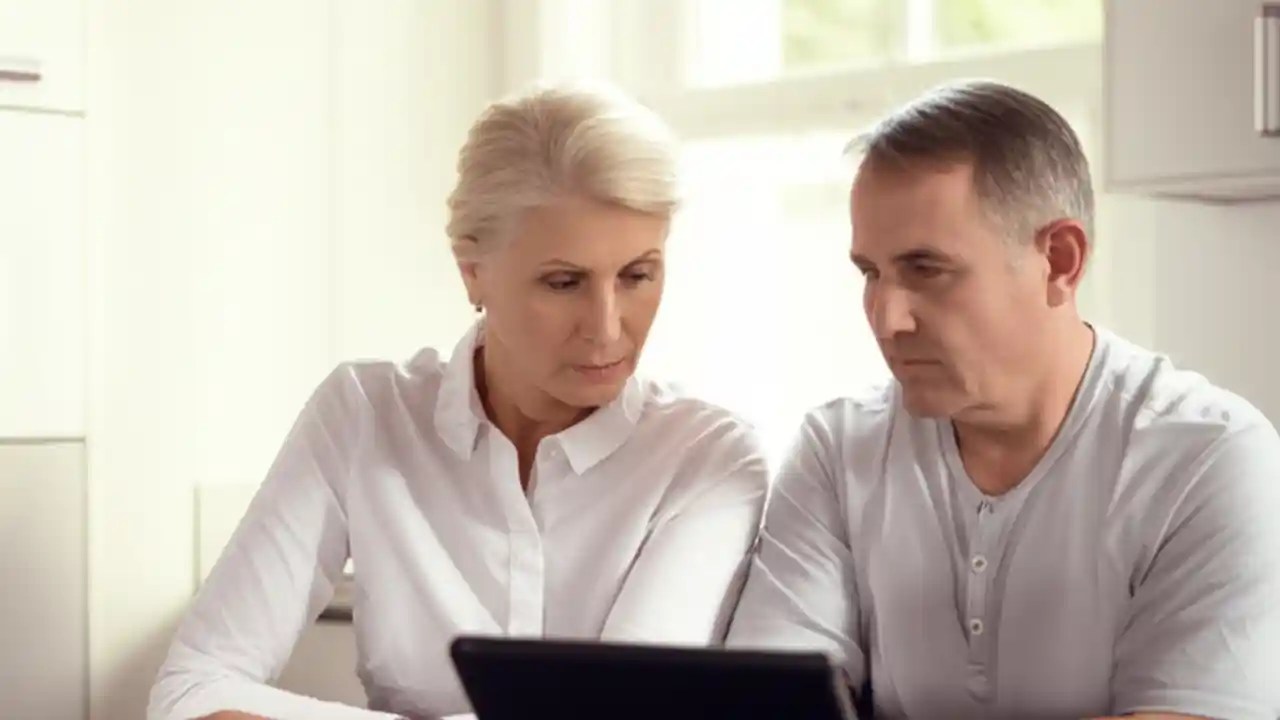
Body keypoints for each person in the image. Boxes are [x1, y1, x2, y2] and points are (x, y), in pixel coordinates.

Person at [148, 83, 771, 720]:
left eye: (638, 275)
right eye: (563, 282)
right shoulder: (364, 414)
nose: (607, 326)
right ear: (471, 270)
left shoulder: (708, 459)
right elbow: (194, 689)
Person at [727, 79, 1280, 720]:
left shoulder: (1211, 459)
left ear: (1060, 261)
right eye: (870, 273)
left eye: (925, 269)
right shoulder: (836, 449)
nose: (886, 318)